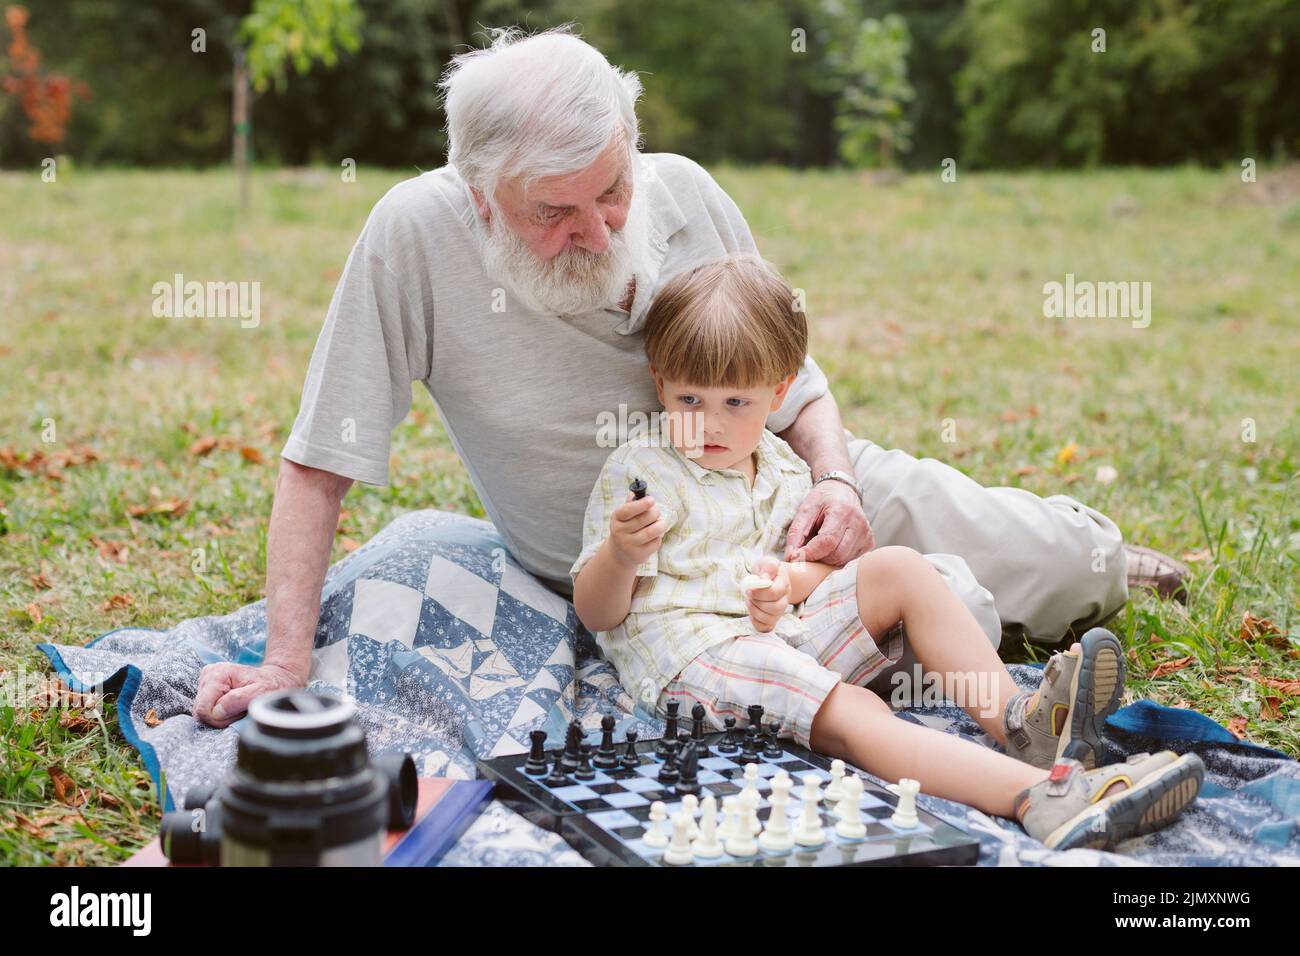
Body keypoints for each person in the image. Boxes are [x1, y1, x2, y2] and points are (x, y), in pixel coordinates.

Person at [193, 26, 1188, 730]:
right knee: (929, 634)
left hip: (785, 495)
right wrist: (285, 662)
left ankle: (1099, 558)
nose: (597, 227)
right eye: (556, 210)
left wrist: (837, 484)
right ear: (479, 192)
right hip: (652, 574)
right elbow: (319, 462)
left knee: (1062, 566)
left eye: (612, 189)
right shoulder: (413, 235)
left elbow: (799, 390)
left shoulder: (684, 194)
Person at [570, 255, 1203, 850]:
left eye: (735, 402)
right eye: (689, 401)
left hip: (781, 637)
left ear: (778, 389)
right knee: (858, 710)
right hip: (695, 664)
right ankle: (1040, 798)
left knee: (898, 567)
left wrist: (786, 581)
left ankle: (1021, 719)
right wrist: (621, 556)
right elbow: (598, 612)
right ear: (660, 383)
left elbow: (821, 571)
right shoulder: (643, 469)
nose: (709, 424)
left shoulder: (786, 466)